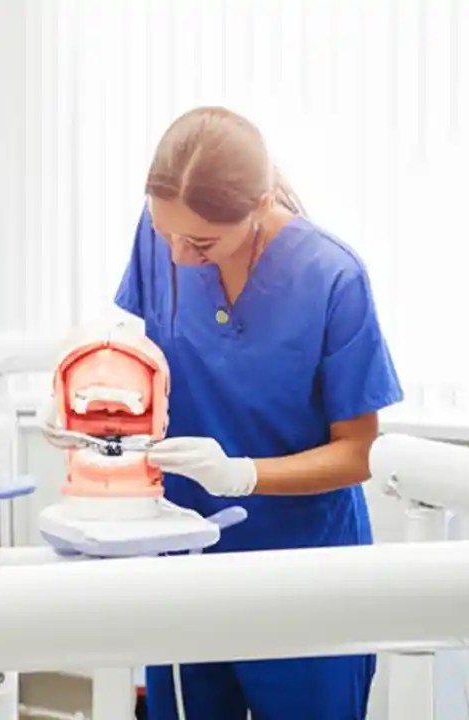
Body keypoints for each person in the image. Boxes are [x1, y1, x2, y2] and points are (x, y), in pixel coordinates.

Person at [68, 106, 403, 718]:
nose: (177, 256)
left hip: (302, 569)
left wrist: (245, 474)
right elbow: (154, 367)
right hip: (185, 553)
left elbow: (359, 452)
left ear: (261, 205)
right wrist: (89, 387)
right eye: (164, 231)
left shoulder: (332, 277)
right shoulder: (164, 236)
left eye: (200, 242)